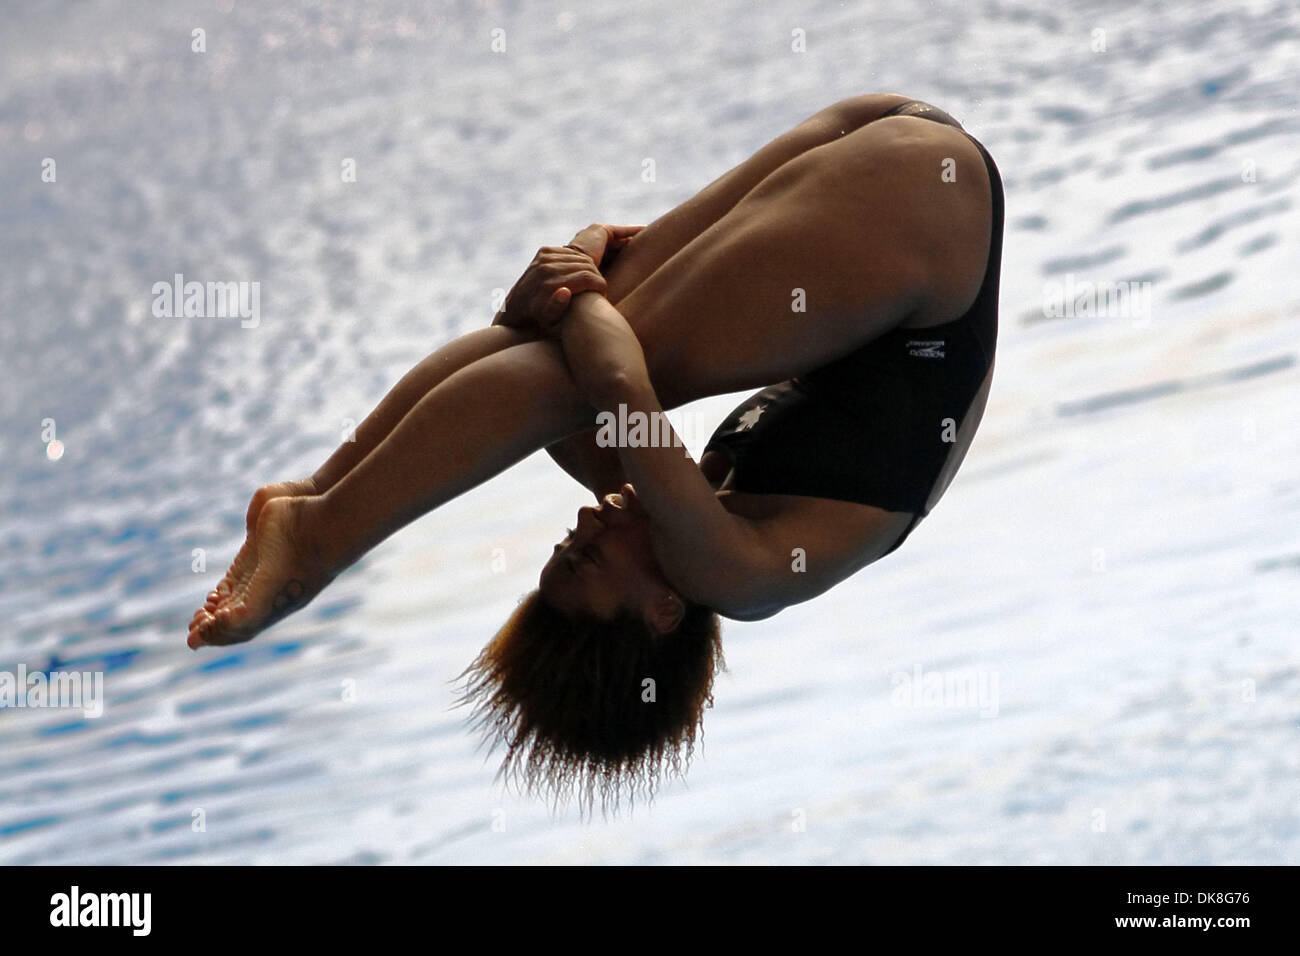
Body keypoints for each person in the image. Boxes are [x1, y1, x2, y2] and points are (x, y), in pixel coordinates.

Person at [187, 93, 1005, 811]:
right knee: (584, 371)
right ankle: (319, 542)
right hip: (923, 201)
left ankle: (315, 494)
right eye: (584, 560)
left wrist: (568, 282)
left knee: (551, 350)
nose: (581, 523)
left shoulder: (709, 517)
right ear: (660, 615)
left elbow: (562, 391)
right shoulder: (738, 573)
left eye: (564, 545)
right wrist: (576, 273)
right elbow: (609, 382)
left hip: (886, 140)